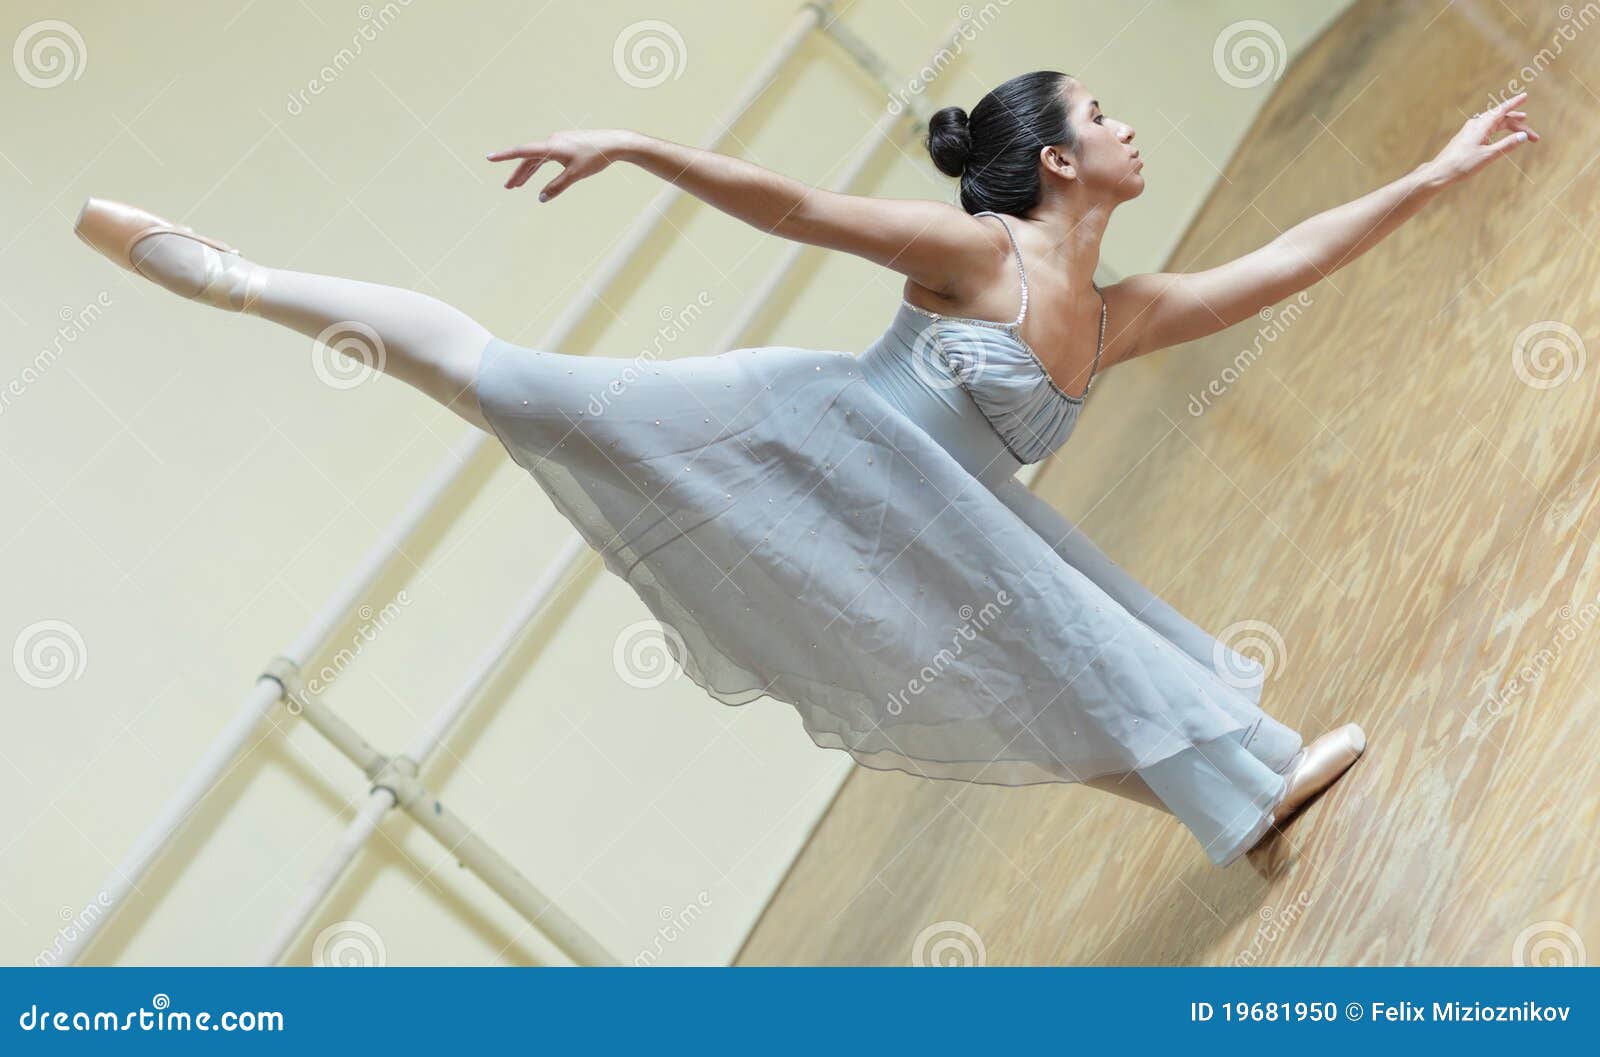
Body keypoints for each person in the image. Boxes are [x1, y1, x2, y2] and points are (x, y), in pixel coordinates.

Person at [72, 71, 1536, 867]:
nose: (1132, 121)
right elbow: (798, 207)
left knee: (1027, 670)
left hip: (919, 532)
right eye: (1106, 114)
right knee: (503, 377)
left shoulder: (1114, 312)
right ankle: (245, 280)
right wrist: (636, 141)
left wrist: (1434, 172)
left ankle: (1237, 798)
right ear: (1059, 162)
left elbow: (1283, 261)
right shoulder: (980, 254)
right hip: (791, 439)